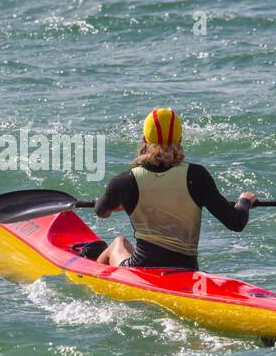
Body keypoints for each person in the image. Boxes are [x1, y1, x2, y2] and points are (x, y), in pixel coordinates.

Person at [94, 109, 255, 270]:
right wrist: (244, 201)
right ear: (180, 139)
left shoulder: (125, 181)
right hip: (186, 270)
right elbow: (236, 222)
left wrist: (123, 203)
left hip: (141, 269)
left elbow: (101, 212)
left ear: (144, 139)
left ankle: (92, 276)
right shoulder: (197, 176)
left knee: (118, 243)